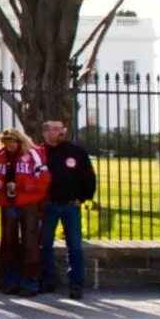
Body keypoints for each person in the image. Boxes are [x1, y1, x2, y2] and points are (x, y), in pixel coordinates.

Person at [0, 128, 51, 297]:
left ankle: (31, 281)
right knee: (9, 242)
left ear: (19, 141)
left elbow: (44, 179)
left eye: (12, 143)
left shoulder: (34, 154)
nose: (9, 147)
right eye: (5, 144)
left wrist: (21, 186)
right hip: (7, 203)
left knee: (30, 242)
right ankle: (11, 280)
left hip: (29, 203)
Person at [39, 120, 96, 300]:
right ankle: (48, 280)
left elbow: (89, 177)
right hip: (48, 205)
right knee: (44, 244)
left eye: (61, 128)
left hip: (71, 205)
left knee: (75, 245)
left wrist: (82, 198)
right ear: (46, 133)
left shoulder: (76, 152)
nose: (60, 132)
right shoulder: (39, 153)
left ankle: (76, 283)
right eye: (55, 129)